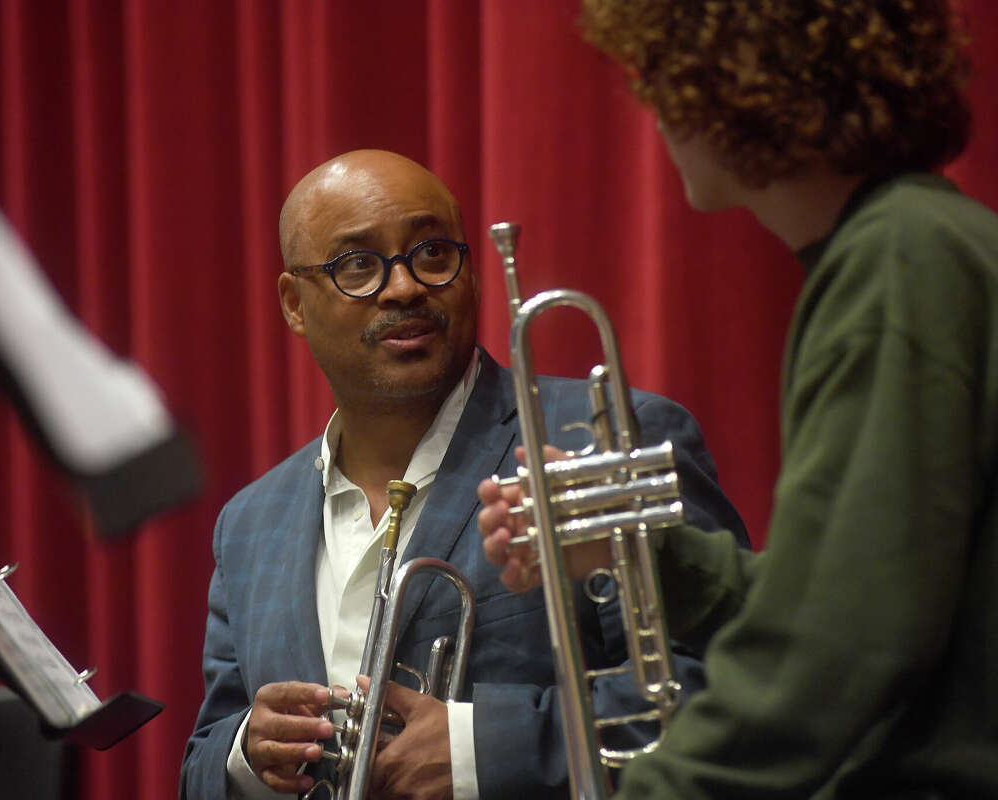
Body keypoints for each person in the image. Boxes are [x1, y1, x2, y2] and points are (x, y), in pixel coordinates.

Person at [479, 1, 998, 797]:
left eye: (664, 75)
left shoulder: (899, 261)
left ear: (741, 74)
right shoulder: (908, 243)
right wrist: (639, 558)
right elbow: (843, 597)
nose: (652, 109)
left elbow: (833, 653)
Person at [180, 148, 748, 800]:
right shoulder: (248, 524)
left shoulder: (604, 439)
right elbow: (204, 756)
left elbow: (726, 688)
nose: (403, 287)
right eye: (358, 265)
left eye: (431, 253)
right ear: (294, 304)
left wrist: (485, 750)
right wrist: (248, 752)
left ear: (472, 274)